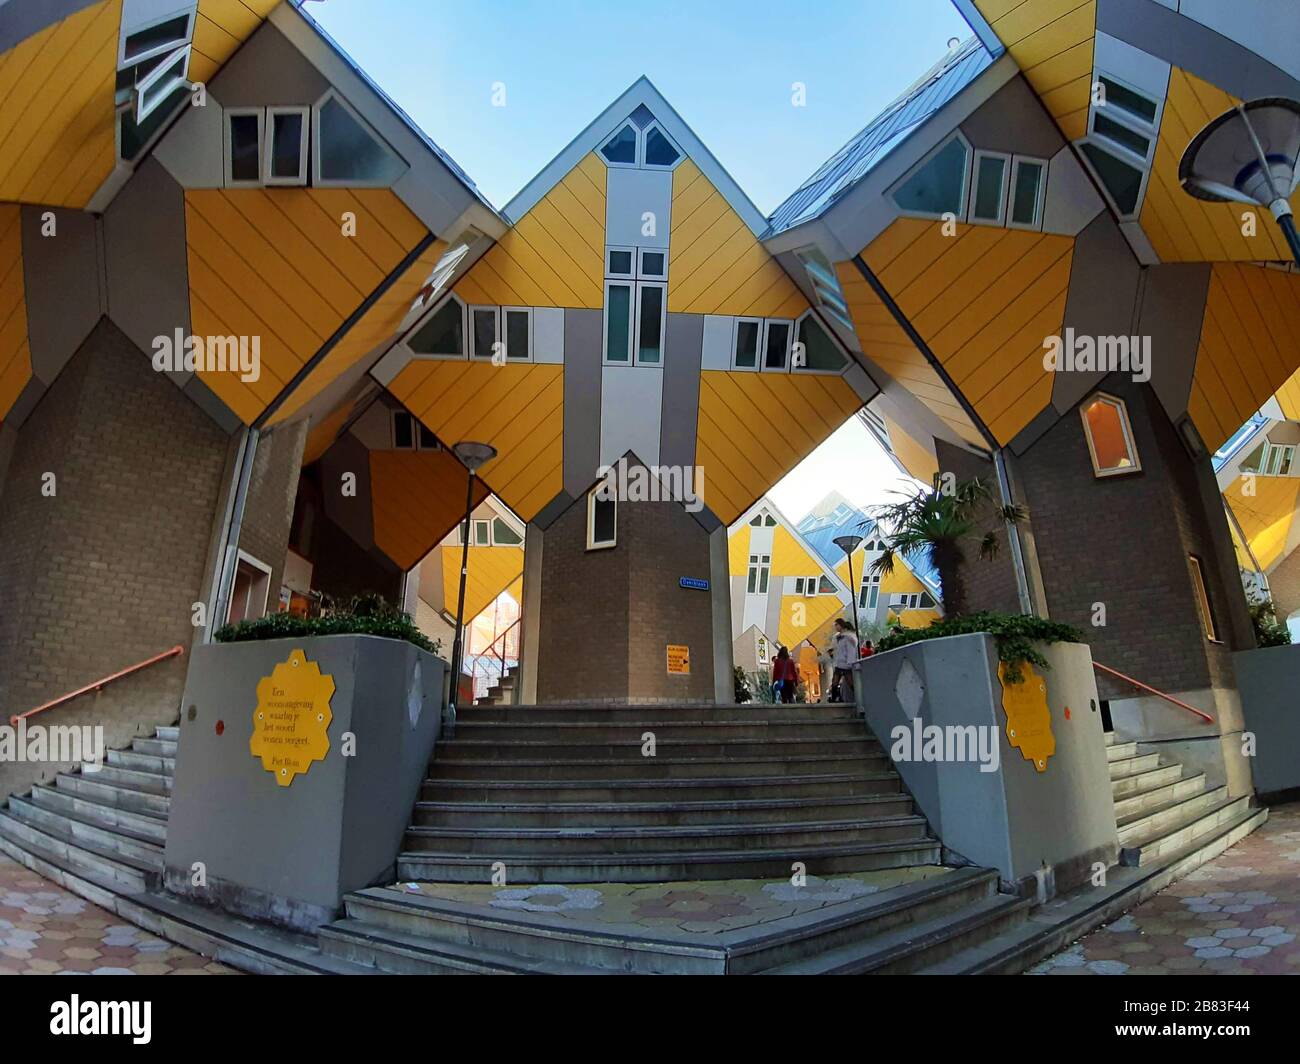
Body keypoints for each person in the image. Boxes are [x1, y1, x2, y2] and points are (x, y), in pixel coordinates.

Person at [829, 618, 859, 703]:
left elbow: (850, 651)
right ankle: (833, 699)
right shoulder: (838, 637)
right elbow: (837, 649)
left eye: (837, 625)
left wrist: (850, 662)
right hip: (839, 663)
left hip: (846, 663)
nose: (835, 627)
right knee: (835, 682)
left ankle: (858, 698)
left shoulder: (849, 638)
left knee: (850, 683)